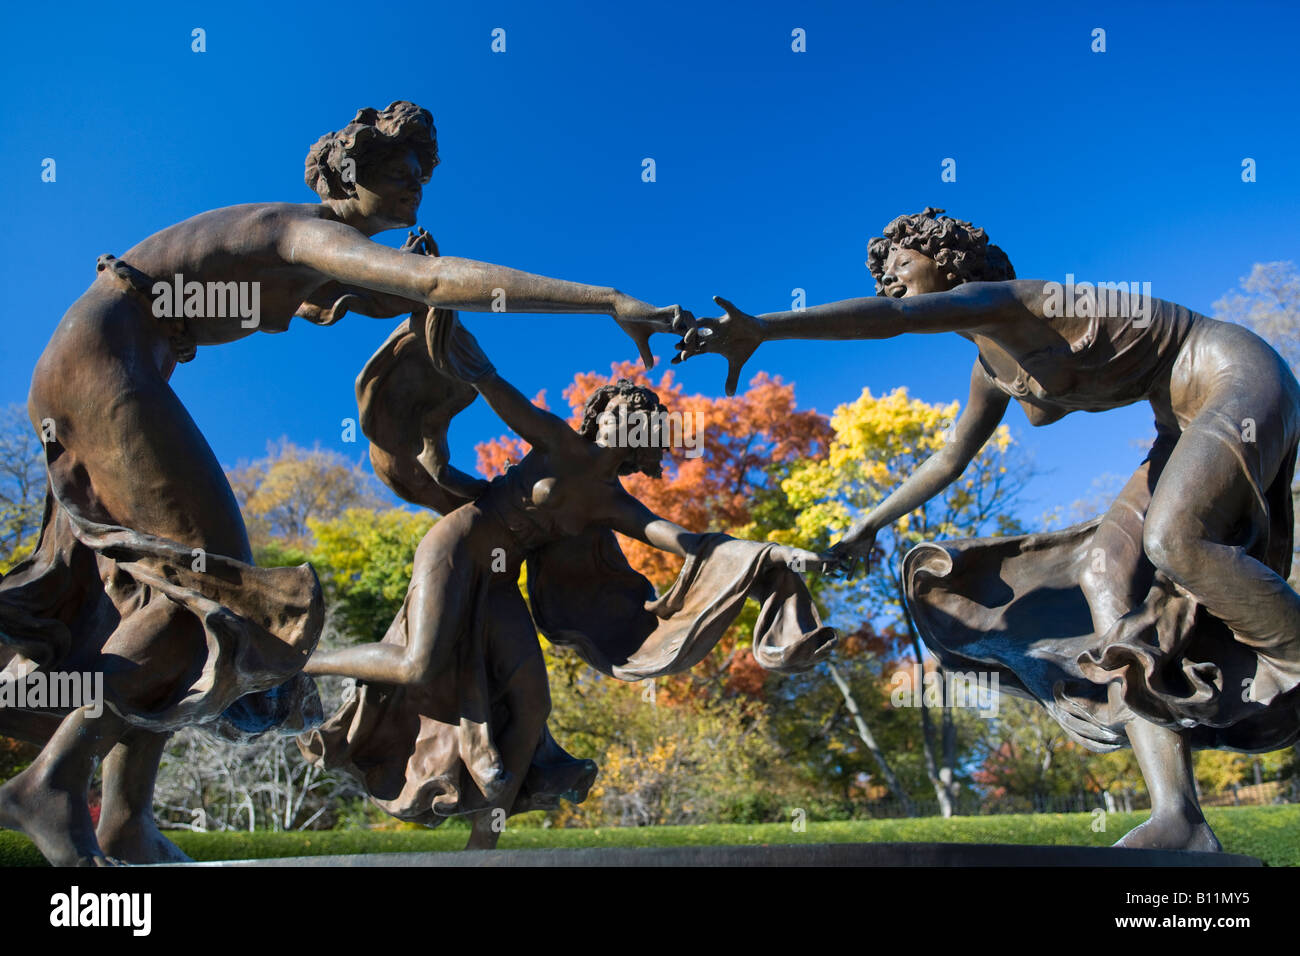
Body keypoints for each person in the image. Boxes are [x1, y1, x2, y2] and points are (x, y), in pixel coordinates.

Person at [0, 100, 690, 866]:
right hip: (105, 362)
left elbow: (400, 297)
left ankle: (125, 822)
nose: (415, 189)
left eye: (424, 175)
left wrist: (421, 313)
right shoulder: (305, 230)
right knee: (213, 590)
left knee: (176, 602)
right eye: (401, 172)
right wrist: (609, 301)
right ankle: (52, 783)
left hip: (104, 360)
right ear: (349, 171)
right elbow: (438, 282)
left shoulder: (310, 254)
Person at [677, 206, 1300, 851]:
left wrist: (763, 329)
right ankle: (1180, 817)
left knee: (1173, 540)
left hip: (1235, 377)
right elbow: (949, 456)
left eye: (900, 264)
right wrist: (868, 524)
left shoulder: (1007, 301)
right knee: (1102, 570)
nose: (889, 280)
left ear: (948, 263)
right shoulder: (989, 363)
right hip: (1178, 426)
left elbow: (889, 321)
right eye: (883, 273)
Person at [300, 314, 835, 848]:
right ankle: (296, 659)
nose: (618, 417)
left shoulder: (614, 503)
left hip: (500, 583)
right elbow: (495, 387)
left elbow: (689, 541)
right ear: (598, 415)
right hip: (456, 548)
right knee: (419, 662)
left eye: (633, 417)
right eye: (614, 408)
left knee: (532, 702)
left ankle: (483, 847)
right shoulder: (557, 441)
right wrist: (442, 317)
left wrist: (772, 552)